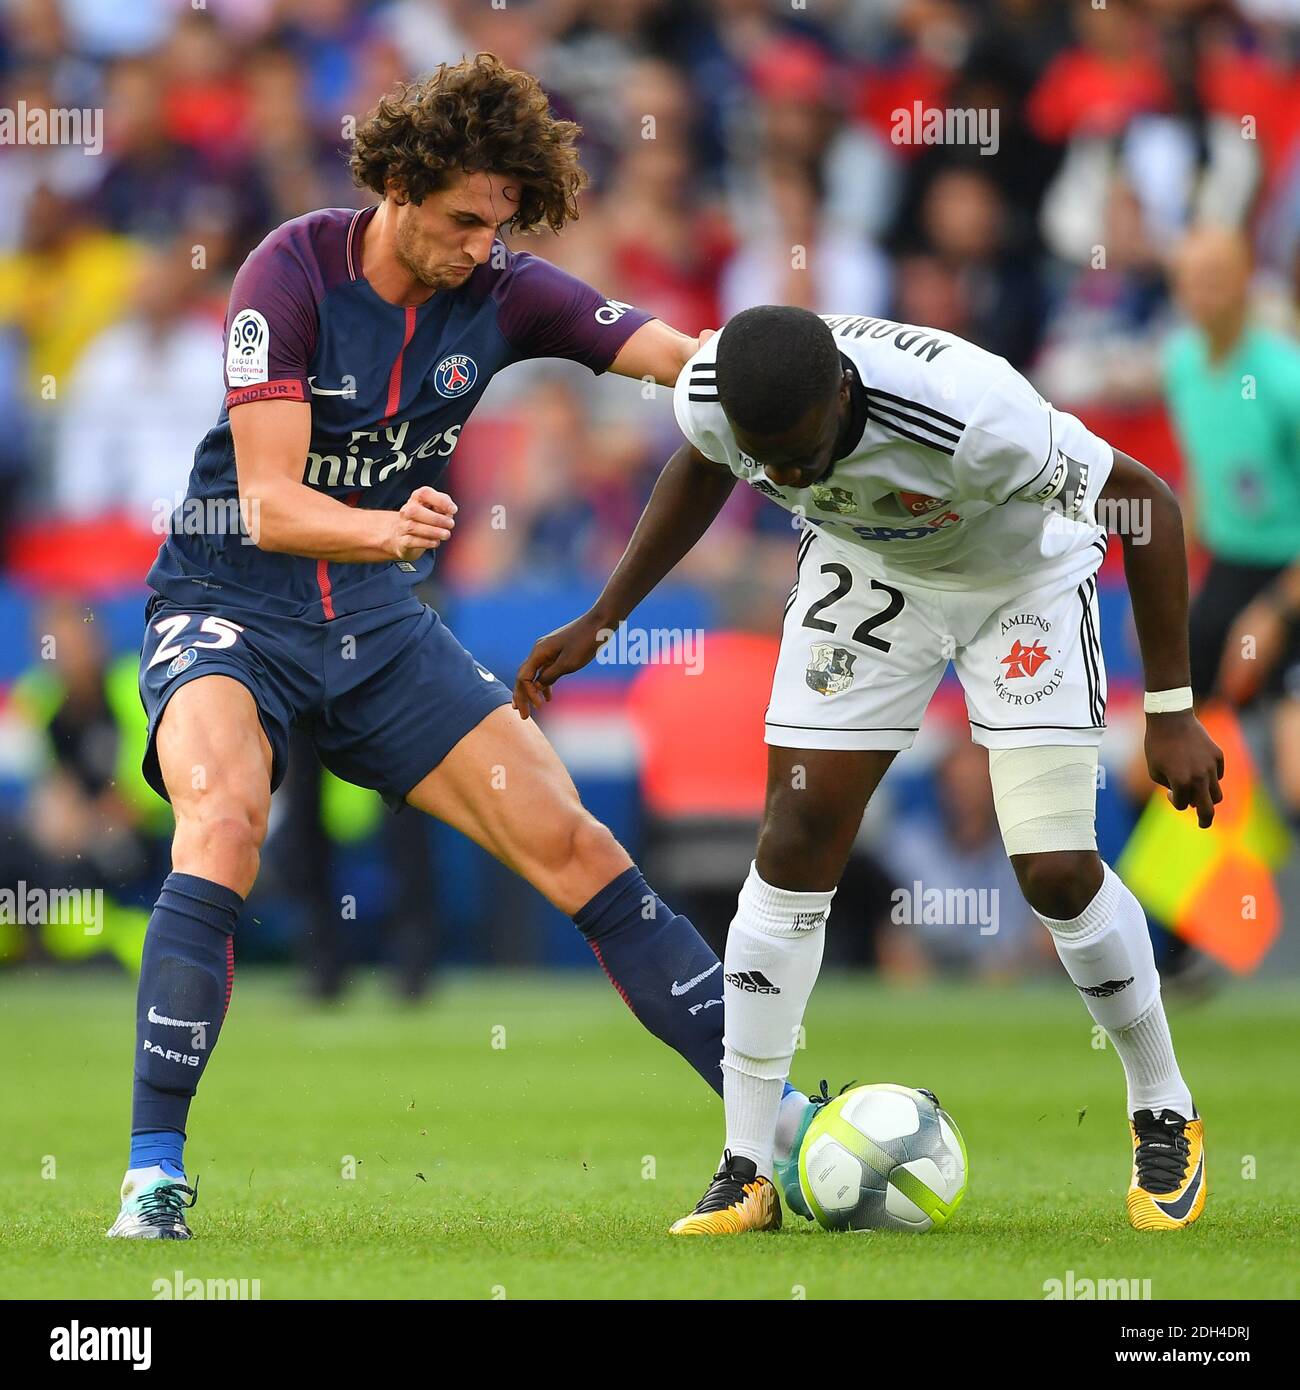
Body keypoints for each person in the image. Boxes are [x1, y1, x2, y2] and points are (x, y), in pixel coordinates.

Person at [108, 54, 742, 1241]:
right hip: (231, 604)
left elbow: (670, 354)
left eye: (499, 223)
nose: (478, 245)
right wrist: (382, 526)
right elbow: (266, 501)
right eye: (461, 220)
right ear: (396, 184)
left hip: (380, 627)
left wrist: (767, 377)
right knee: (226, 817)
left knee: (572, 841)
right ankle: (153, 1176)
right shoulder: (285, 272)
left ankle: (775, 1127)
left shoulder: (503, 285)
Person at [515, 305, 1223, 1235]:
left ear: (845, 394)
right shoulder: (721, 390)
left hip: (1019, 582)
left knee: (1053, 867)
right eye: (766, 459)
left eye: (801, 454)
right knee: (795, 839)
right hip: (874, 573)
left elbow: (1151, 506)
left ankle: (1162, 1106)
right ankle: (745, 1163)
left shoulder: (973, 415)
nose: (785, 476)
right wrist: (603, 617)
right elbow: (703, 465)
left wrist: (1171, 711)